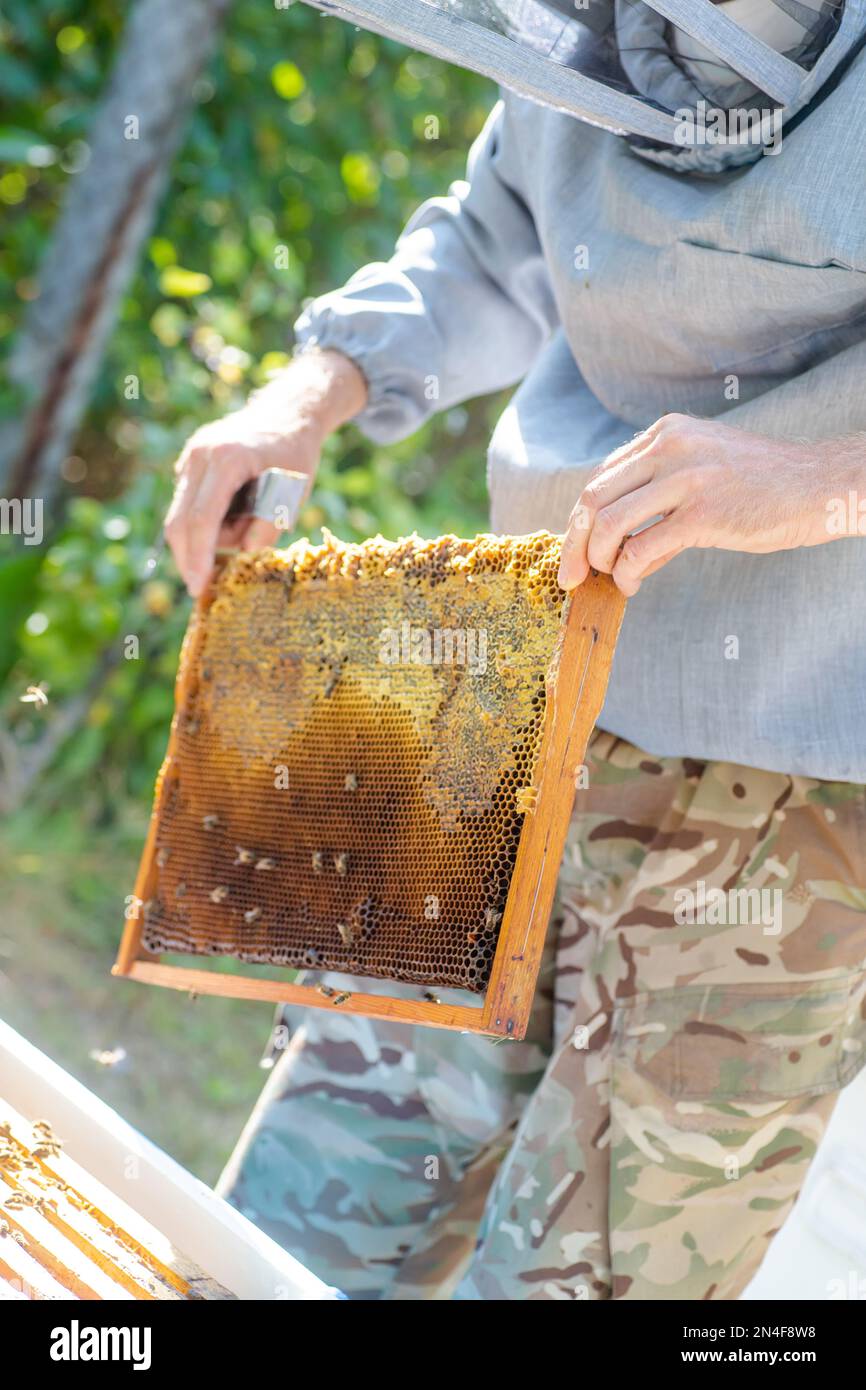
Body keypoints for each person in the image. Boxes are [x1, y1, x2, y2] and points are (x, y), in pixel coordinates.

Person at [164, 1, 866, 1299]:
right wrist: (305, 397)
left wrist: (819, 477)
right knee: (286, 1229)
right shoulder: (569, 28)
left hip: (794, 775)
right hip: (524, 679)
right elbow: (496, 236)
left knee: (576, 1280)